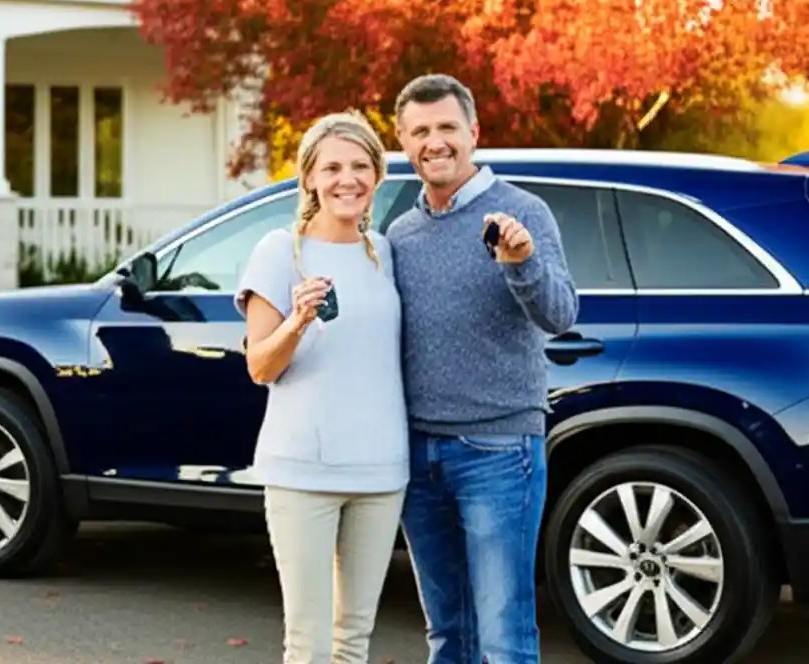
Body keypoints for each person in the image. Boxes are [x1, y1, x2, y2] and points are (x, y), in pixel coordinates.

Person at [384, 74, 579, 664]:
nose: (434, 142)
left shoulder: (522, 212)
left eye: (446, 128)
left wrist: (520, 264)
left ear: (473, 132)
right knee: (447, 634)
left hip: (497, 450)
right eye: (419, 131)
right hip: (419, 454)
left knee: (503, 638)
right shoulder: (401, 232)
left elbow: (561, 315)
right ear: (402, 139)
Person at [235, 110, 409, 664]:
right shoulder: (278, 252)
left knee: (353, 640)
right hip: (302, 472)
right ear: (309, 177)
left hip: (381, 473)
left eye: (360, 166)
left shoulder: (386, 254)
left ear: (376, 177)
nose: (347, 179)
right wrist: (297, 321)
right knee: (308, 645)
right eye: (332, 166)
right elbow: (260, 366)